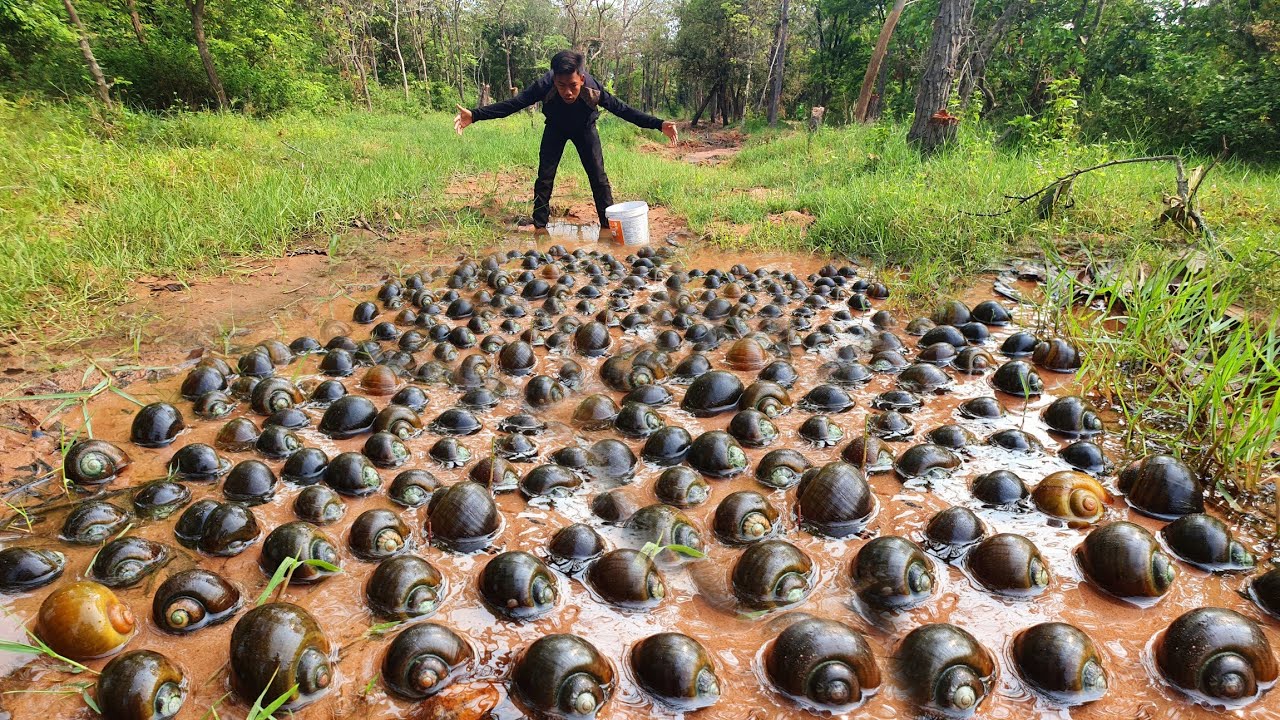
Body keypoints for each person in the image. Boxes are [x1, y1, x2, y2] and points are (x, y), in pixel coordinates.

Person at [454, 50, 677, 237]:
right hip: (556, 128)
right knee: (545, 175)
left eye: (572, 85)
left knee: (598, 177)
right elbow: (513, 104)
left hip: (585, 129)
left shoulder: (593, 89)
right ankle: (540, 225)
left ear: (581, 78)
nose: (567, 92)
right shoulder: (544, 84)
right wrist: (475, 115)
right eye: (561, 86)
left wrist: (658, 124)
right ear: (554, 80)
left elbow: (623, 110)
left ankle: (608, 226)